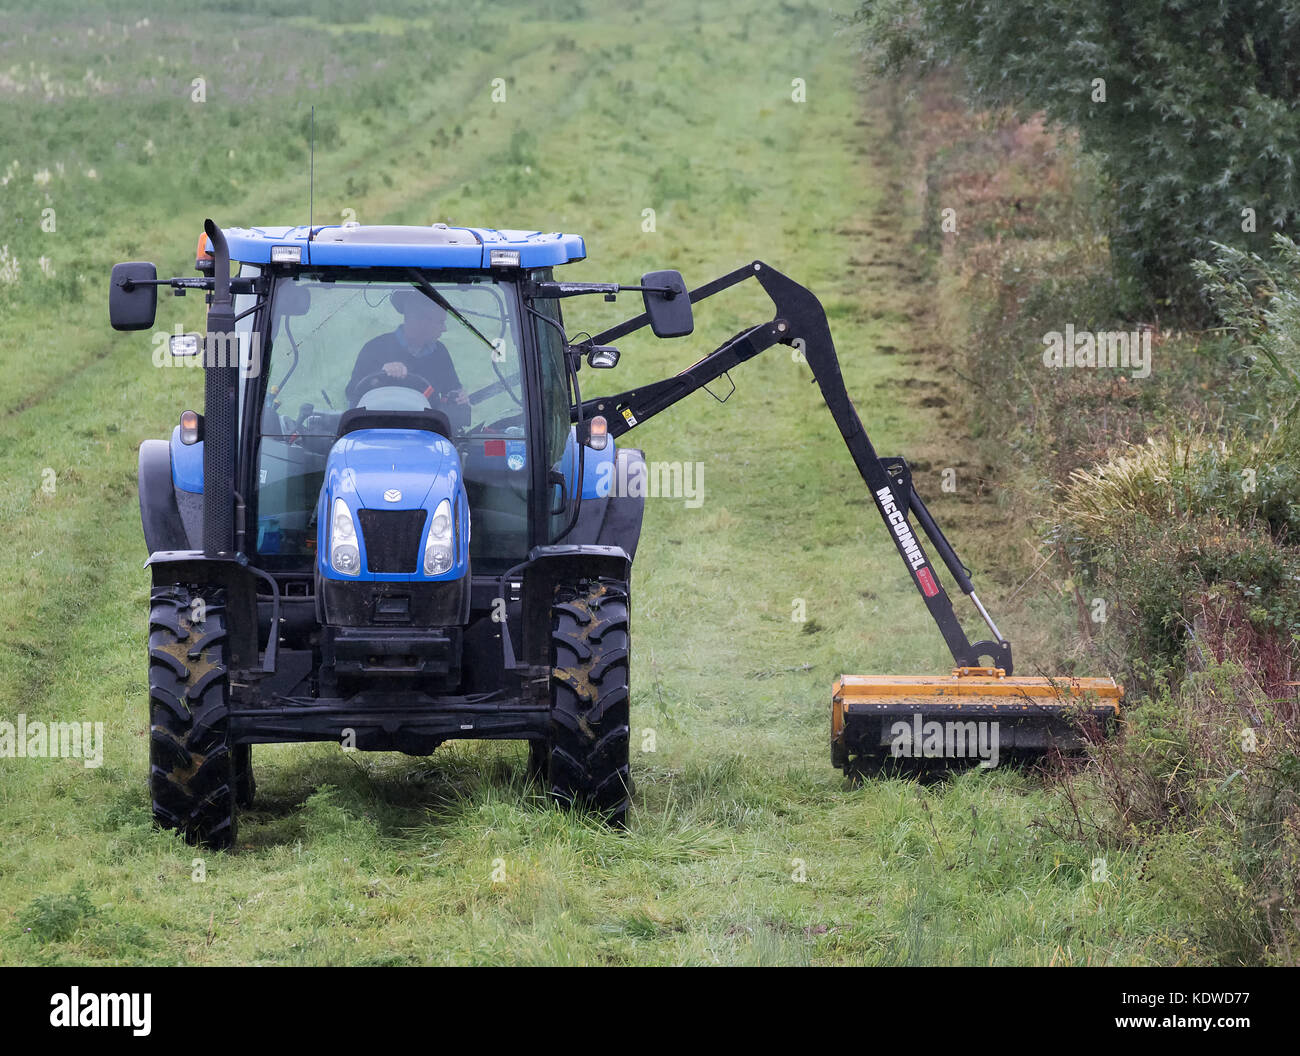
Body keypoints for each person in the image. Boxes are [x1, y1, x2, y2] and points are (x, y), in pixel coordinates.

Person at [346, 290, 471, 426]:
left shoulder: (440, 352)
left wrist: (460, 397)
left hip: (428, 431)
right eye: (440, 322)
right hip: (375, 429)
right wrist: (381, 371)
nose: (444, 329)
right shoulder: (374, 348)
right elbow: (352, 392)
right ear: (420, 321)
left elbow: (452, 391)